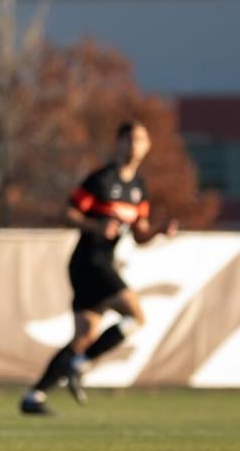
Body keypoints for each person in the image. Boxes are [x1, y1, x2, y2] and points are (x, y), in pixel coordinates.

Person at [20, 120, 178, 415]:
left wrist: (158, 230)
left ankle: (34, 396)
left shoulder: (138, 187)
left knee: (84, 337)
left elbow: (140, 233)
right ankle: (80, 365)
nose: (135, 145)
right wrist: (95, 226)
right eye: (129, 139)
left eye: (141, 140)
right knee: (135, 316)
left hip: (99, 264)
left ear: (147, 147)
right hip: (89, 262)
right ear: (118, 143)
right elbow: (68, 212)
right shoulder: (101, 180)